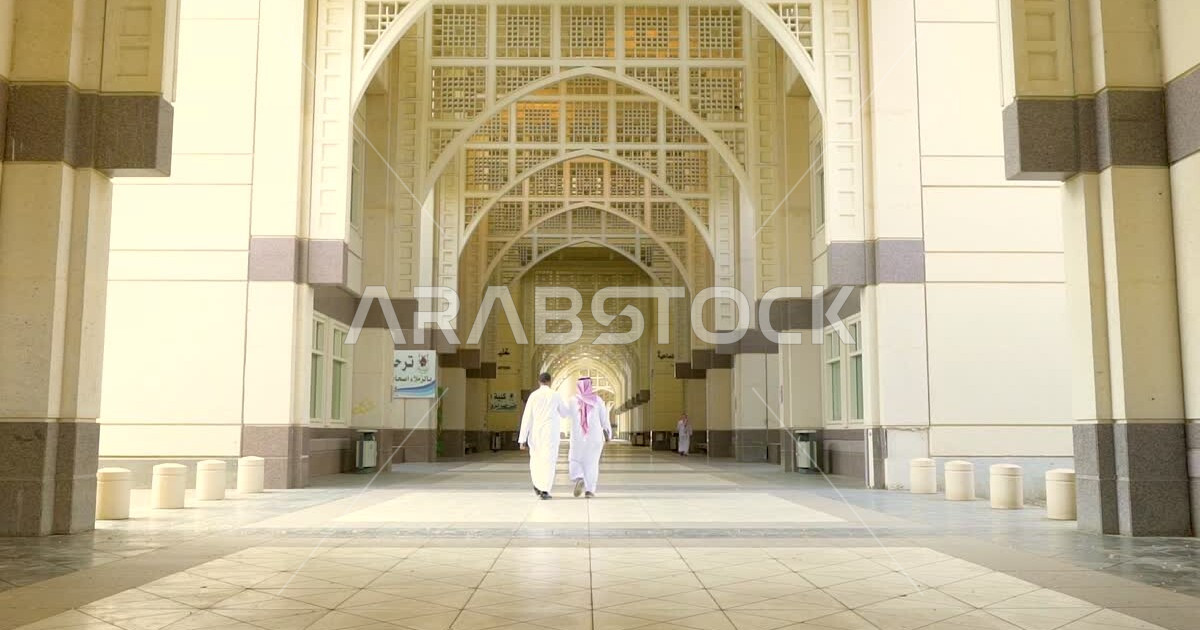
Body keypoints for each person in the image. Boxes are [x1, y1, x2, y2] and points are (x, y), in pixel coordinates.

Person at [519, 372, 570, 500]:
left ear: (539, 382)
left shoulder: (533, 396)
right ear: (550, 381)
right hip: (550, 432)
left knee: (535, 459)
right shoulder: (556, 395)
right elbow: (564, 413)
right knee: (549, 460)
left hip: (535, 432)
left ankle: (537, 484)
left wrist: (522, 439)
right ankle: (545, 490)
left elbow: (527, 417)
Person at [568, 377, 612, 498]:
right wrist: (608, 433)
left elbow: (565, 414)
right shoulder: (597, 400)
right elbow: (604, 419)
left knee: (574, 459)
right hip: (595, 438)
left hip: (578, 437)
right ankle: (590, 490)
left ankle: (579, 476)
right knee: (592, 463)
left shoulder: (573, 400)